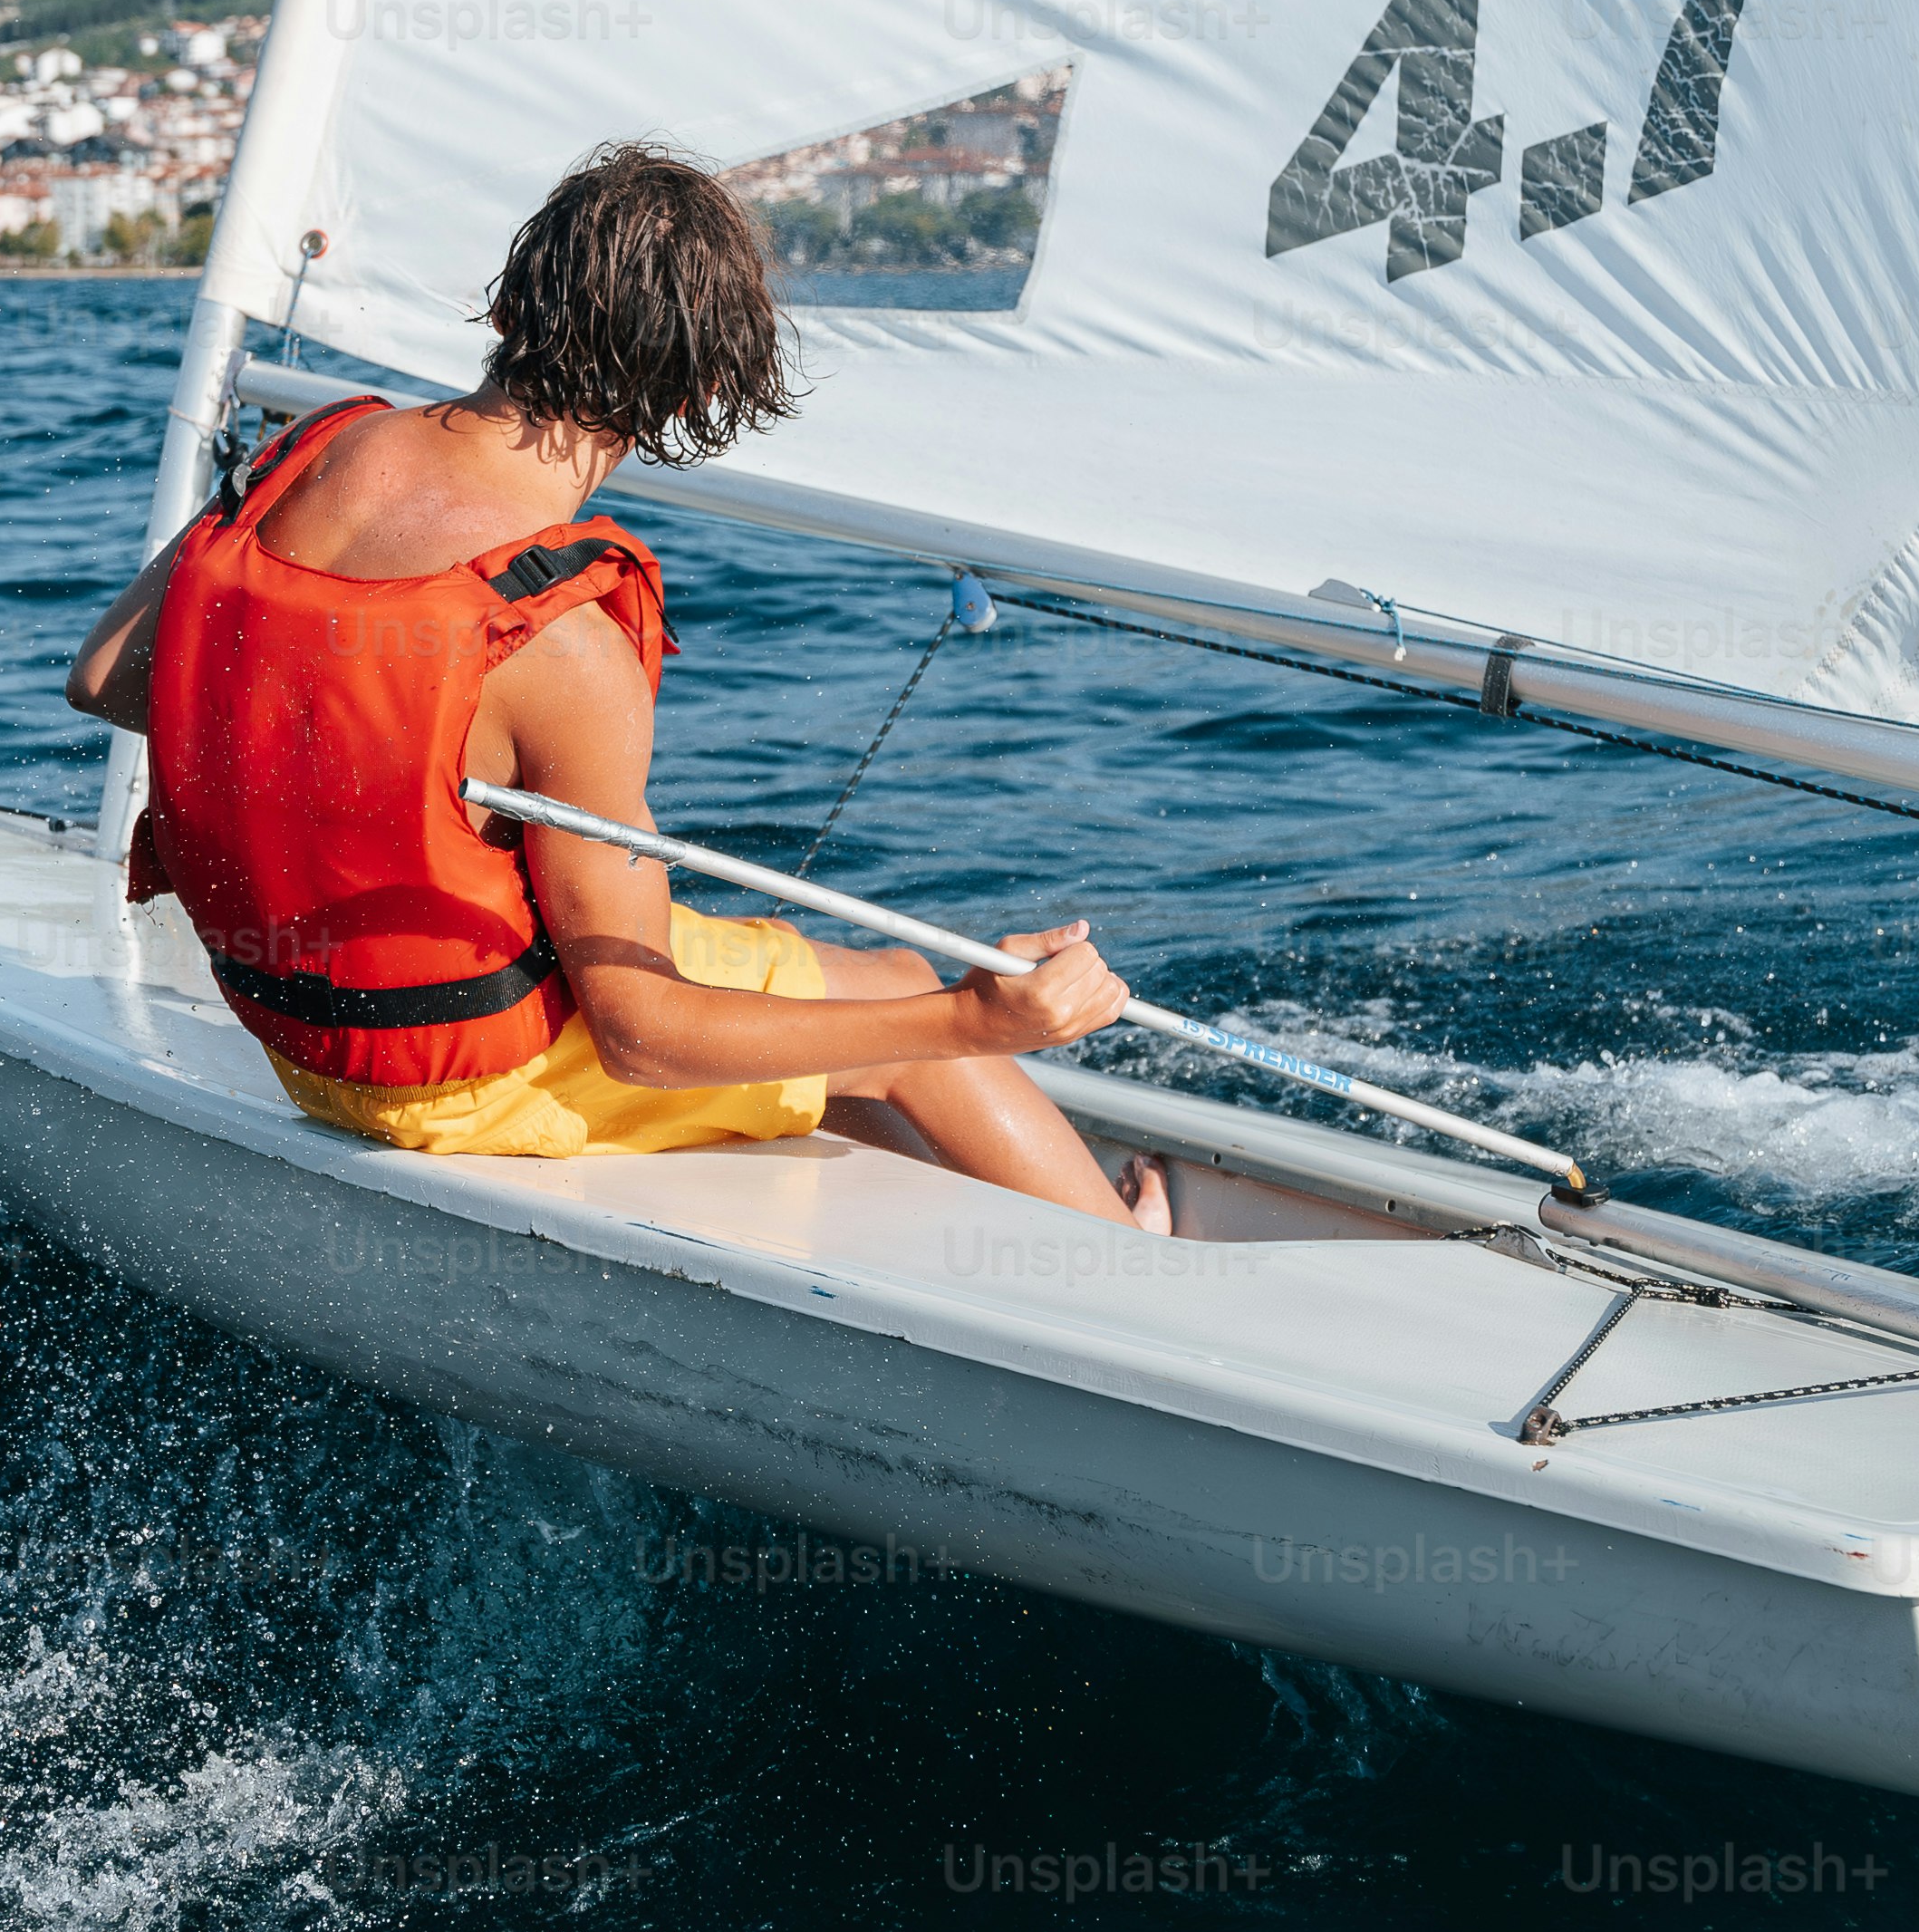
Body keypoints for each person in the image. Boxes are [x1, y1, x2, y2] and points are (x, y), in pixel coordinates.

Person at [67, 145, 1166, 1226]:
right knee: (895, 1002)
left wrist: (332, 746)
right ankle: (1137, 1283)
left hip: (294, 1033)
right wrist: (974, 1021)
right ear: (696, 389)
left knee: (833, 1017)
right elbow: (638, 1033)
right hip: (450, 1089)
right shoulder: (557, 637)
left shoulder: (310, 450)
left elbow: (108, 678)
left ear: (509, 307)